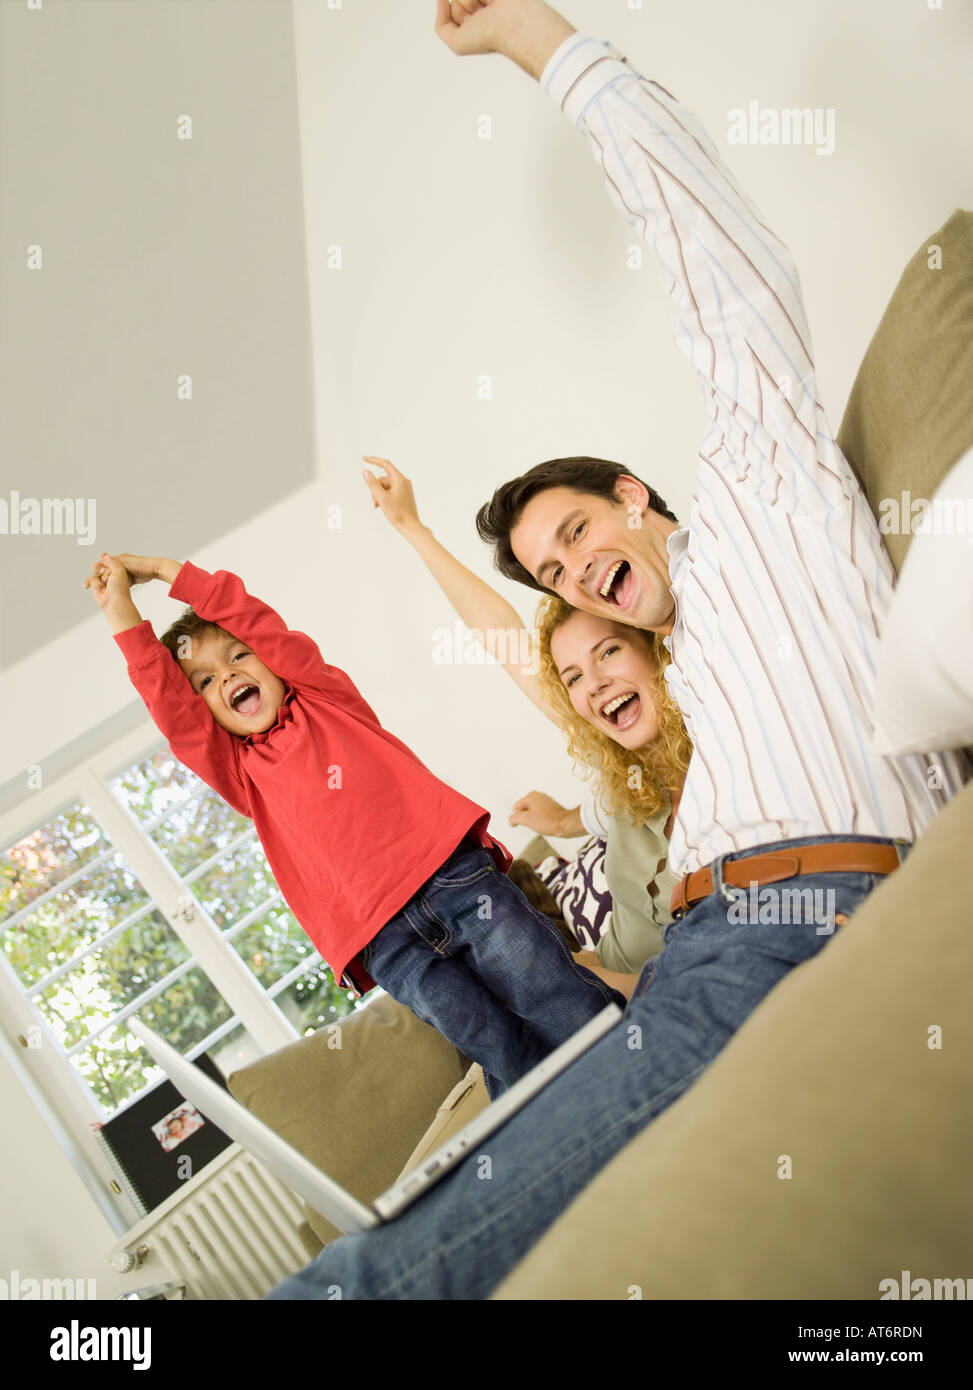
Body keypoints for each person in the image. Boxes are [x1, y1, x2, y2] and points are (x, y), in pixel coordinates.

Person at [266, 0, 967, 1300]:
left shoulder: (761, 496)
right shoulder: (682, 663)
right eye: (547, 571)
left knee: (389, 1272)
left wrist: (546, 48)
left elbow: (721, 264)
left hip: (789, 918)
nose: (570, 571)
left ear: (638, 496)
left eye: (576, 532)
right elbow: (539, 667)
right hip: (703, 943)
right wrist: (421, 537)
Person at [83, 551, 624, 1100]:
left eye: (240, 656)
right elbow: (170, 707)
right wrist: (121, 614)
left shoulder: (323, 696)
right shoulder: (239, 771)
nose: (229, 676)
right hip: (382, 941)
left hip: (453, 877)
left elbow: (257, 620)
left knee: (544, 987)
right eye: (205, 680)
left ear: (271, 661)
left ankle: (634, 1058)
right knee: (488, 1040)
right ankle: (561, 1115)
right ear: (206, 711)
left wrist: (169, 572)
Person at [362, 457, 692, 981]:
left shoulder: (726, 735)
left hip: (626, 999)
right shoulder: (622, 785)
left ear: (656, 653)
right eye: (574, 677)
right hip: (597, 975)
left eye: (607, 653)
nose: (595, 683)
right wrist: (412, 528)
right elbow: (503, 636)